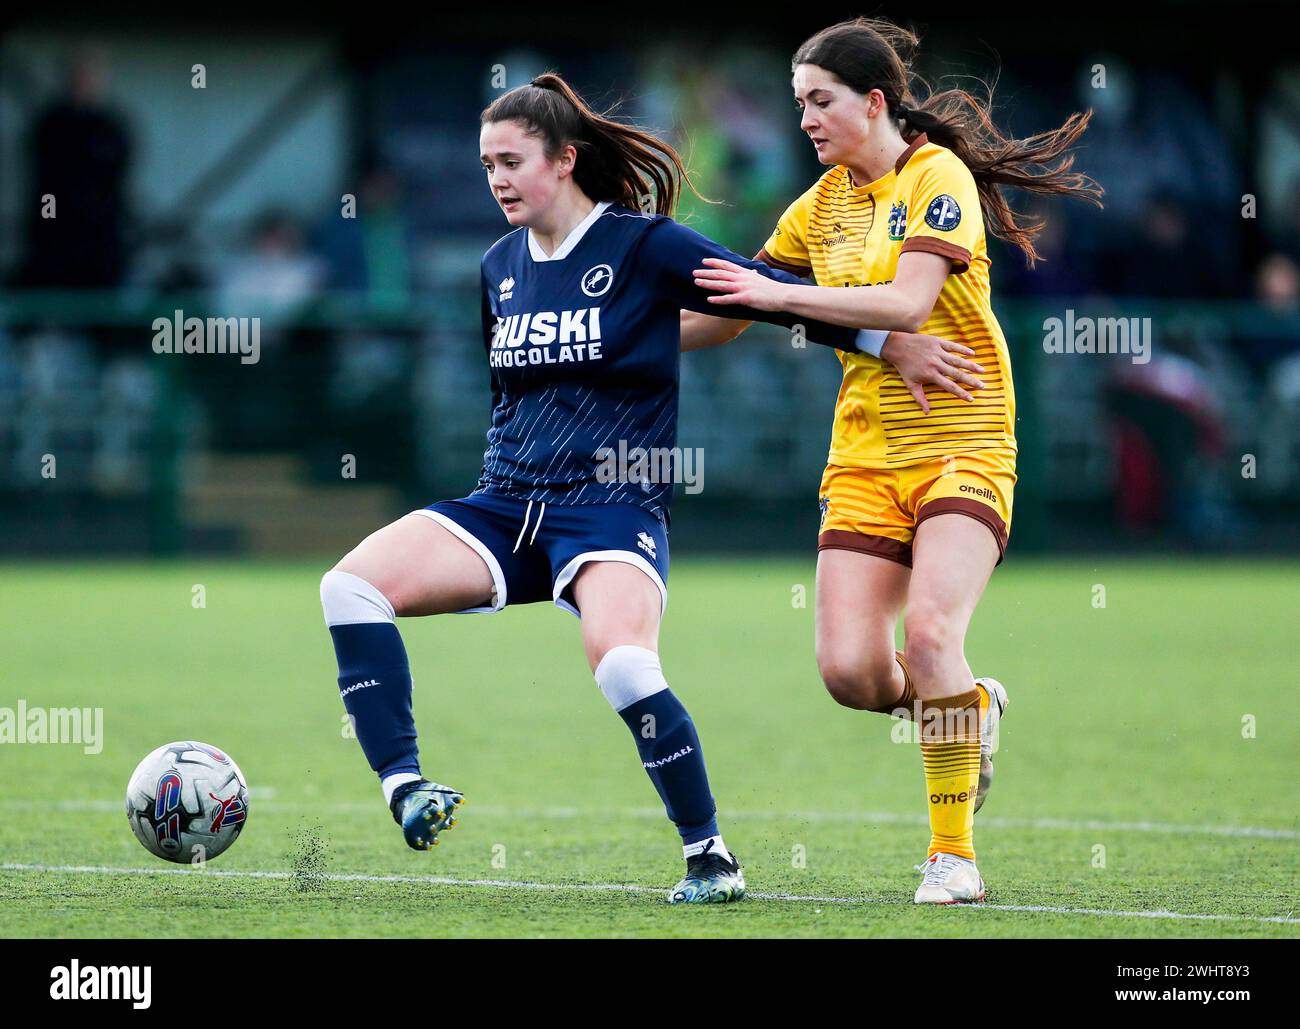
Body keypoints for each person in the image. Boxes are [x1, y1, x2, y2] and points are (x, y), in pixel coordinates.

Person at [318, 72, 970, 904]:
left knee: (625, 665)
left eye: (512, 161)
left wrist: (887, 344)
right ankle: (405, 786)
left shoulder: (645, 245)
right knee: (349, 588)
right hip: (506, 500)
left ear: (565, 160)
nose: (498, 180)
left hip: (610, 510)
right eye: (487, 165)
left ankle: (710, 856)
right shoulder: (498, 267)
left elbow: (757, 298)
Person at [687, 17, 1102, 903]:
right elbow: (728, 315)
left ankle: (953, 858)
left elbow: (911, 302)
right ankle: (968, 707)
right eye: (798, 102)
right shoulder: (819, 204)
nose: (804, 118)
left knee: (931, 636)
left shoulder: (935, 175)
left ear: (874, 101)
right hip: (865, 454)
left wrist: (780, 293)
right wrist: (612, 333)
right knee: (851, 673)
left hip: (963, 435)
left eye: (820, 101)